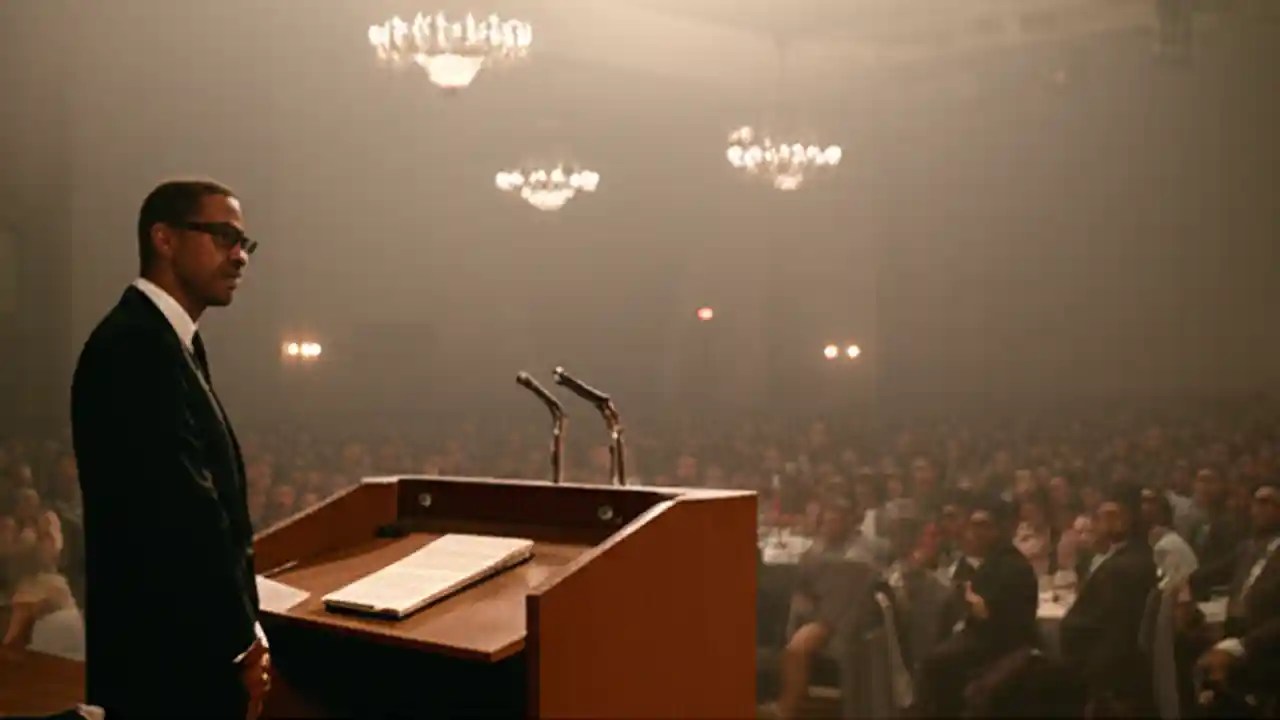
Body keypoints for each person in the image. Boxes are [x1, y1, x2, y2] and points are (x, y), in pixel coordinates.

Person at [70, 179, 270, 718]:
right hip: (166, 665)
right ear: (164, 239)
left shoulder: (170, 340)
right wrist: (240, 639)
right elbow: (182, 515)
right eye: (223, 236)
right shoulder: (135, 345)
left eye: (244, 243)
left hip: (175, 653)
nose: (239, 256)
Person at [918, 498, 1039, 717]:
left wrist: (970, 602)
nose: (974, 532)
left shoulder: (1012, 565)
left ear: (999, 530)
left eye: (983, 526)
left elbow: (990, 615)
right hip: (984, 637)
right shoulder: (991, 562)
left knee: (935, 663)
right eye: (973, 525)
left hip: (1003, 644)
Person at [1060, 483, 1158, 715]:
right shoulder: (1131, 556)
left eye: (1113, 515)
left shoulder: (1121, 569)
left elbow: (1112, 632)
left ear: (1130, 518)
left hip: (1106, 673)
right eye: (1103, 515)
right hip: (1116, 664)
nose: (1105, 521)